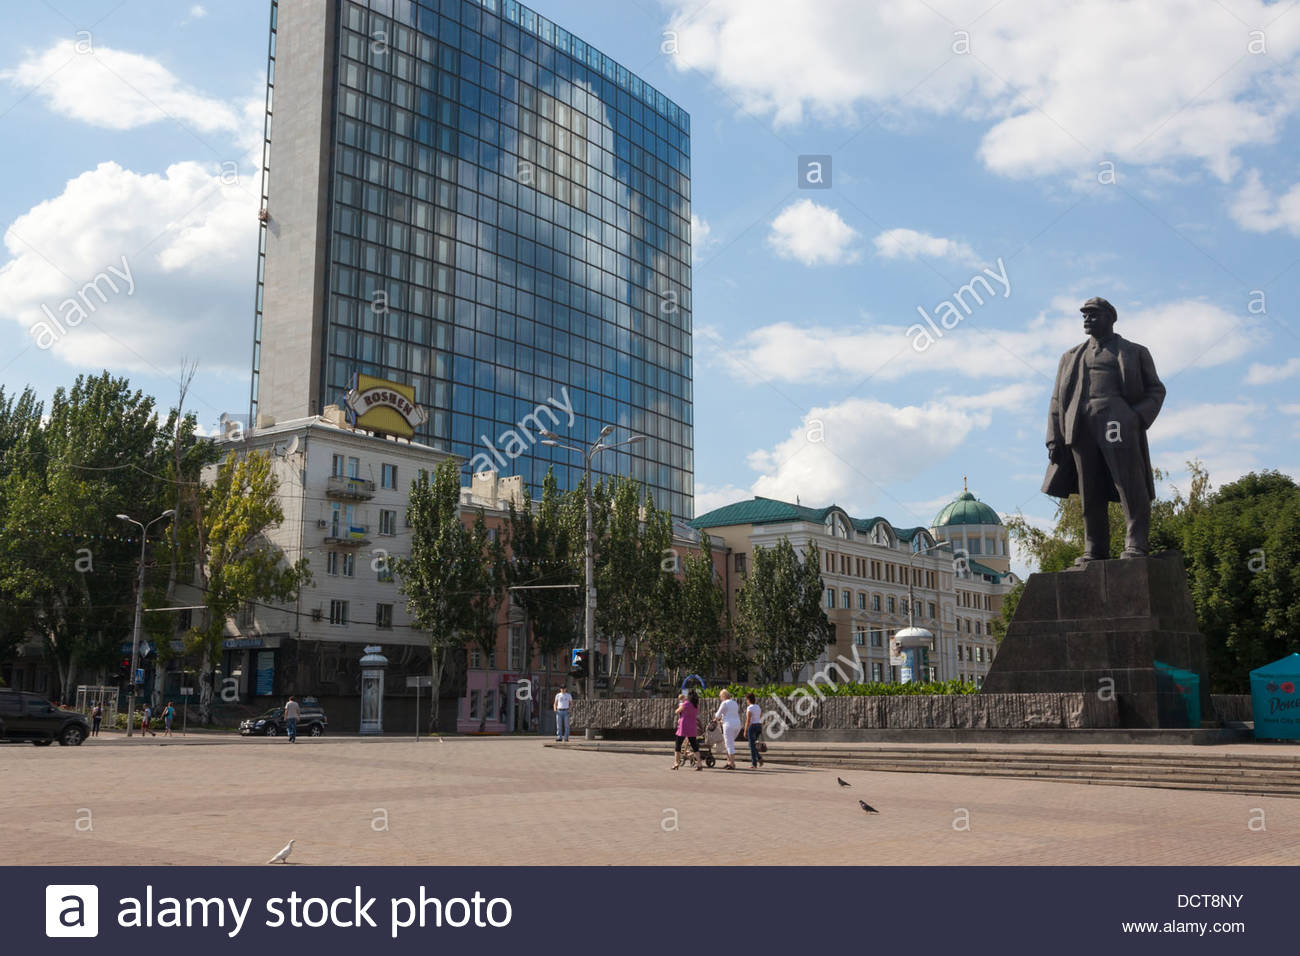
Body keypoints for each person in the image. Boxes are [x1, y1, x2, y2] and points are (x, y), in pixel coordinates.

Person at [1042, 296, 1165, 562]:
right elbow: (1056, 399)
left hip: (1116, 422)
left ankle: (1136, 544)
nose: (1087, 319)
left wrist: (1135, 417)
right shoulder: (1070, 357)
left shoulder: (1134, 351)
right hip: (1080, 426)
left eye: (1094, 314)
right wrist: (1054, 437)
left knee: (1129, 484)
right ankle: (1095, 548)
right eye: (1085, 315)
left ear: (1111, 318)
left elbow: (1156, 389)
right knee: (1090, 491)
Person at [672, 691, 703, 771]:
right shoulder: (696, 706)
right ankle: (699, 763)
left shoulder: (686, 704)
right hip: (692, 726)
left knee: (678, 744)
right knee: (694, 745)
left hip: (684, 726)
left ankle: (676, 763)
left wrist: (682, 704)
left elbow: (677, 711)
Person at [714, 689, 741, 770]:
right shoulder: (734, 702)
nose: (720, 698)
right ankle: (729, 762)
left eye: (720, 696)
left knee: (729, 745)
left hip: (728, 725)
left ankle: (732, 764)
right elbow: (731, 714)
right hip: (737, 725)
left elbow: (718, 715)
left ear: (723, 696)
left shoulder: (724, 703)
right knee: (729, 744)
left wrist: (715, 720)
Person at [742, 693, 763, 769]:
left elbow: (748, 720)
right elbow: (760, 715)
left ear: (748, 700)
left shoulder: (749, 708)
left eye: (746, 700)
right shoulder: (758, 706)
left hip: (752, 727)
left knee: (751, 745)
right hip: (759, 725)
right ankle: (759, 758)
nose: (746, 701)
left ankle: (754, 764)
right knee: (753, 745)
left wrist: (745, 730)